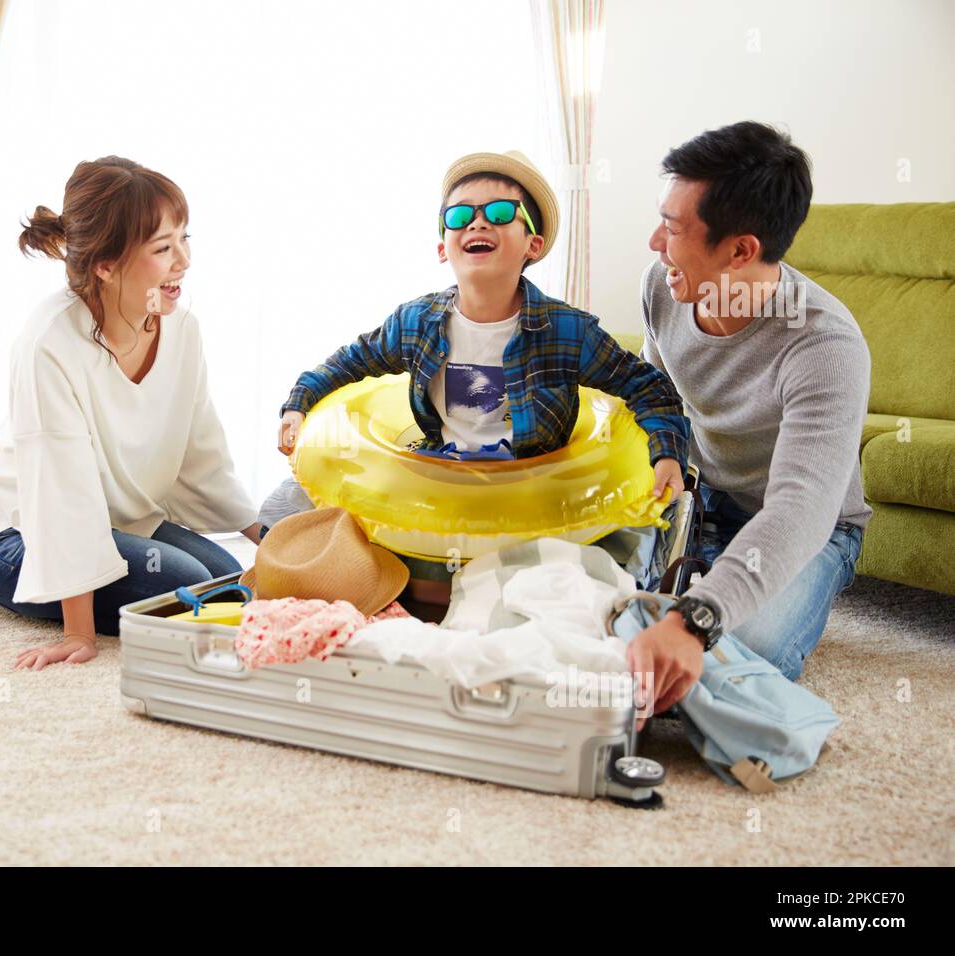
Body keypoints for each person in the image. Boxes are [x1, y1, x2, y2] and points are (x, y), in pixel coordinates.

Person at [0, 157, 260, 670]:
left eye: (185, 239)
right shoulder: (49, 341)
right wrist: (80, 631)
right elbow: (59, 491)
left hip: (121, 520)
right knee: (190, 587)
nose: (183, 260)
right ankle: (56, 596)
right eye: (163, 248)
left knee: (232, 577)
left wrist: (266, 536)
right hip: (17, 531)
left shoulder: (182, 330)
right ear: (106, 264)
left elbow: (201, 451)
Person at [627, 122, 870, 725]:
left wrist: (696, 618)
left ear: (740, 250)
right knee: (585, 596)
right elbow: (656, 399)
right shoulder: (663, 286)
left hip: (811, 527)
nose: (655, 242)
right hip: (702, 497)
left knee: (736, 652)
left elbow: (799, 510)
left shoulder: (823, 345)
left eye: (675, 229)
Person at [275, 149, 689, 498]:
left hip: (528, 488)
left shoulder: (568, 331)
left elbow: (648, 387)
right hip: (444, 475)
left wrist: (667, 451)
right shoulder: (415, 323)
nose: (478, 222)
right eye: (459, 216)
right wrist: (298, 403)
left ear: (533, 244)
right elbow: (349, 361)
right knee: (289, 502)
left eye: (500, 211)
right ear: (443, 248)